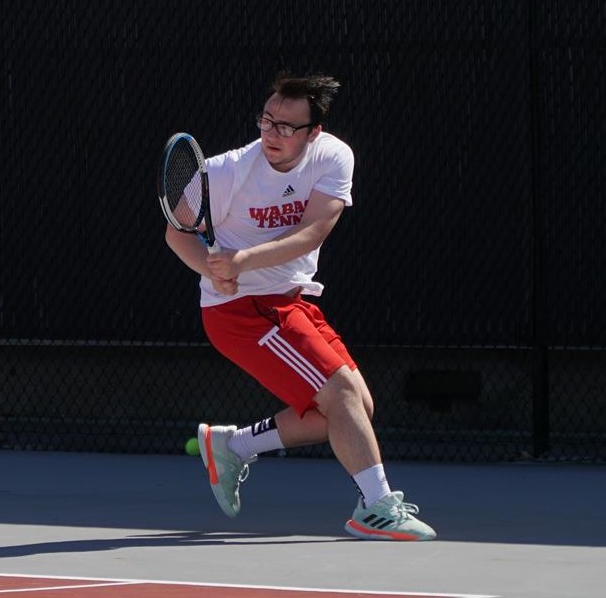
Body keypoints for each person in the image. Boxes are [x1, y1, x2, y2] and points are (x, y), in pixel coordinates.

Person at [164, 72, 436, 541]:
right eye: (267, 121)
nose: (272, 134)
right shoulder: (224, 171)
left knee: (354, 408)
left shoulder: (333, 157)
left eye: (287, 127)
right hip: (240, 313)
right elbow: (177, 233)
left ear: (314, 133)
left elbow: (312, 232)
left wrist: (243, 259)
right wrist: (213, 271)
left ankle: (233, 445)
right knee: (342, 396)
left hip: (291, 301)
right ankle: (376, 507)